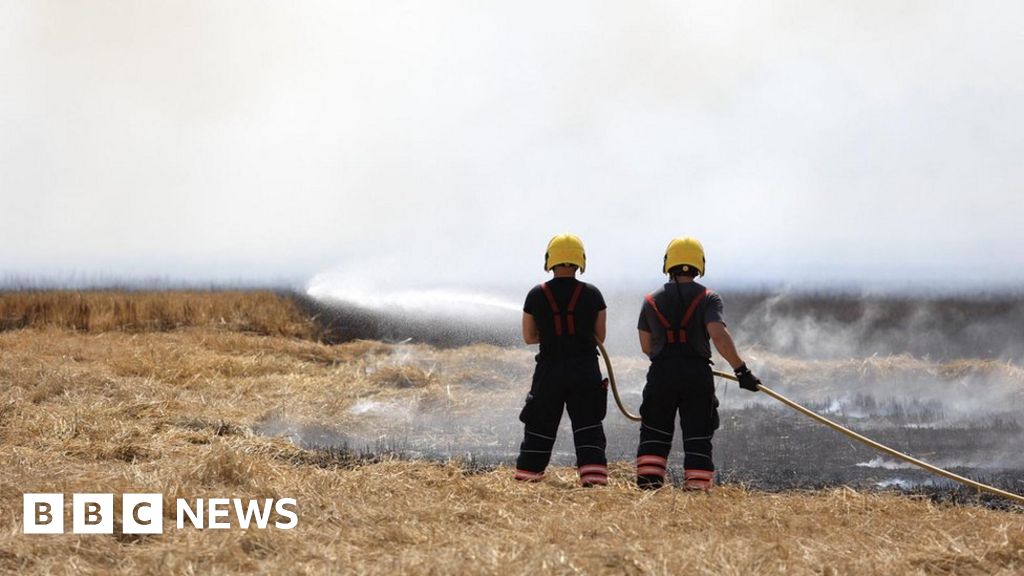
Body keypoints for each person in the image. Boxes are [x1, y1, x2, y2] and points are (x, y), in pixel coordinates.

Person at [634, 236, 761, 490]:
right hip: (696, 376)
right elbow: (718, 335)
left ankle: (648, 490)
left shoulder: (650, 301)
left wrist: (667, 361)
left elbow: (646, 346)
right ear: (699, 264)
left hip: (661, 375)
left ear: (668, 263)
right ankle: (696, 493)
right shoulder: (709, 298)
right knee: (698, 438)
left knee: (654, 435)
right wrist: (741, 370)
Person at [515, 233, 609, 487]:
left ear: (550, 260)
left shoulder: (536, 294)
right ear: (580, 260)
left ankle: (528, 481)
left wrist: (552, 335)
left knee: (539, 428)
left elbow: (529, 337)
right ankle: (594, 483)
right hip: (585, 370)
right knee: (588, 427)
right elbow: (599, 336)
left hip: (549, 371)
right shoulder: (593, 294)